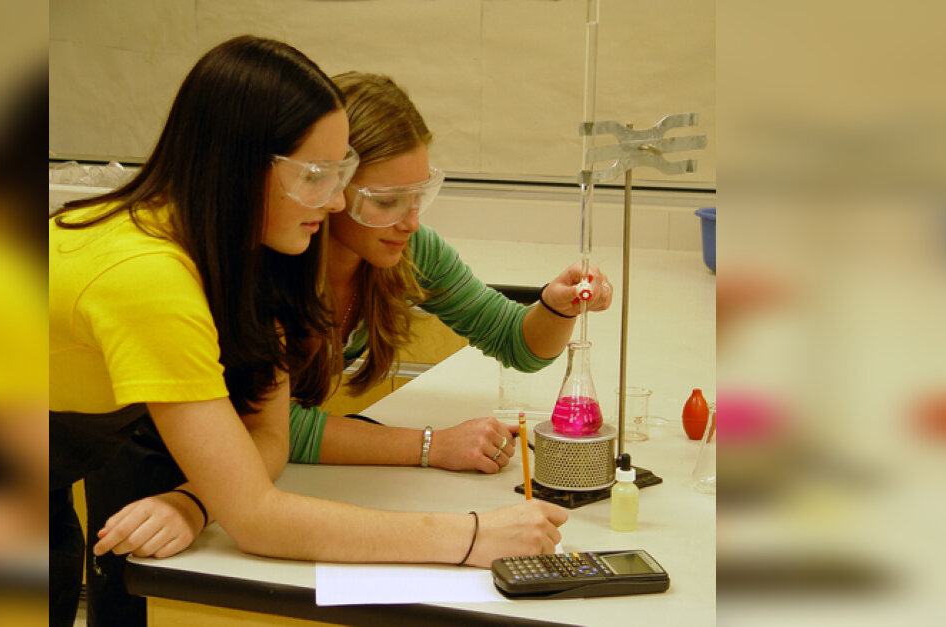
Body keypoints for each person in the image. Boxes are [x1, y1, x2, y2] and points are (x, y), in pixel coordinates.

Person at [49, 37, 567, 627]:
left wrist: (196, 499)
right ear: (241, 168)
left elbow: (266, 436)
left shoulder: (239, 253)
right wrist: (472, 537)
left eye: (342, 174)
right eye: (318, 176)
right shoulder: (146, 279)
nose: (336, 199)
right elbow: (256, 519)